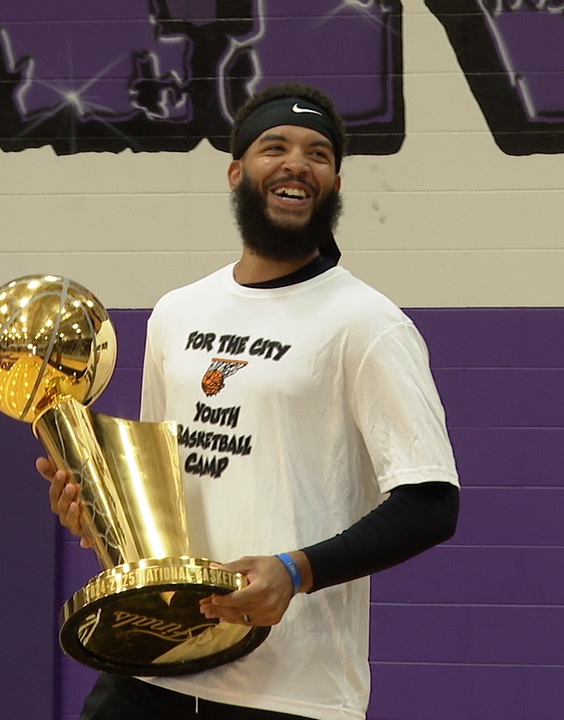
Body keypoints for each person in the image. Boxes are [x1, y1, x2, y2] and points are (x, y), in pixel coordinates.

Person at [38, 82, 460, 720]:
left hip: (290, 688)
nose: (297, 163)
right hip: (158, 660)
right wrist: (96, 515)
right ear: (237, 171)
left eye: (319, 154)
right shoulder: (177, 313)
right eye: (275, 146)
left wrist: (296, 571)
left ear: (336, 185)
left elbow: (432, 504)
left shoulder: (368, 324)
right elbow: (164, 492)